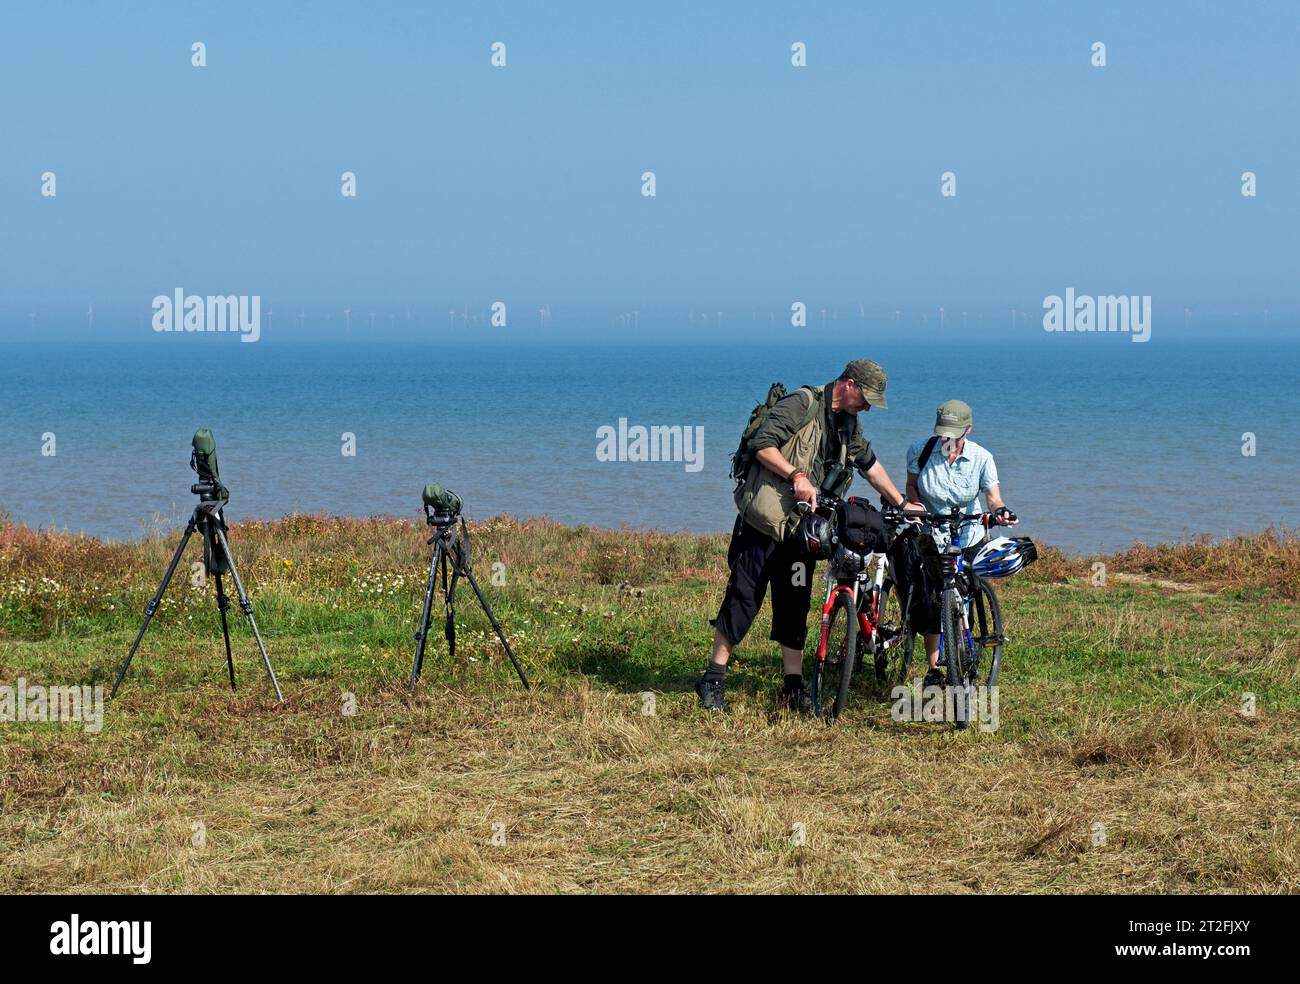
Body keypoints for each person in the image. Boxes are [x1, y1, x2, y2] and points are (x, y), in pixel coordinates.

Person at [695, 360, 909, 711]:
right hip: (764, 525)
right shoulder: (802, 404)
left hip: (804, 532)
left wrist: (900, 502)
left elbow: (868, 463)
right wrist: (796, 475)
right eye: (867, 398)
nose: (869, 406)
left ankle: (792, 688)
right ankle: (712, 680)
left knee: (794, 605)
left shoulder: (848, 423)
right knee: (743, 599)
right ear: (849, 384)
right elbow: (761, 444)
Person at [890, 399, 1017, 687]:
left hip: (968, 532)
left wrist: (1001, 513)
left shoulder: (982, 457)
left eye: (954, 433)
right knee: (932, 599)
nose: (948, 438)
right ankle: (935, 669)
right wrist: (915, 505)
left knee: (965, 594)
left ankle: (965, 652)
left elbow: (993, 498)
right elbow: (911, 485)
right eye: (943, 432)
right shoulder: (919, 451)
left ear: (968, 429)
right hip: (931, 534)